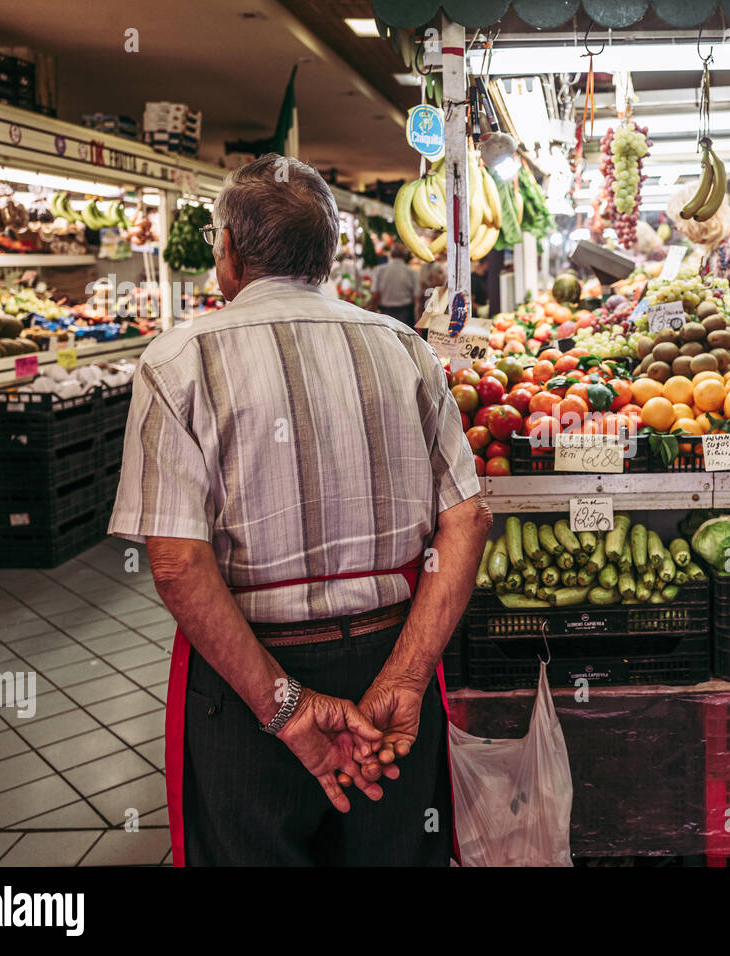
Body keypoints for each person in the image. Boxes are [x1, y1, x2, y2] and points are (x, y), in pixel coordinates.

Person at [108, 153, 490, 866]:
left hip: (244, 677)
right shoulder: (404, 349)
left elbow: (177, 561)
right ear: (331, 253)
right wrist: (405, 677)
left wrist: (284, 707)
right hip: (388, 666)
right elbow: (468, 519)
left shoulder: (176, 362)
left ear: (226, 253)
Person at [372, 242, 422, 326]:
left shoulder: (380, 270)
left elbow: (375, 295)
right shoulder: (411, 272)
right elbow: (417, 297)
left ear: (391, 254)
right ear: (406, 256)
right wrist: (418, 316)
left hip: (386, 313)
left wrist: (372, 312)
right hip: (406, 314)